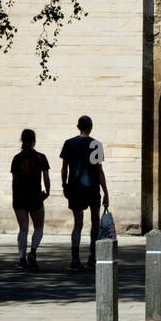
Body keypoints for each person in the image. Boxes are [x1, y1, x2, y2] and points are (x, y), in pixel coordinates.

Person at [60, 115, 109, 272]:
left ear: (77, 126)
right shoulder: (96, 144)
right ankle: (93, 257)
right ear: (91, 127)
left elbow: (64, 168)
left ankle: (75, 258)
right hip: (92, 187)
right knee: (95, 222)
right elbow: (99, 170)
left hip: (75, 187)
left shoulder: (69, 143)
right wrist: (106, 192)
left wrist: (64, 186)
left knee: (77, 224)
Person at [10, 129, 50, 271]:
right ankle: (32, 252)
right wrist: (47, 192)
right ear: (34, 141)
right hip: (35, 196)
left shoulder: (16, 158)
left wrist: (14, 197)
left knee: (23, 229)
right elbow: (46, 177)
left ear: (22, 140)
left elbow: (14, 181)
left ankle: (21, 259)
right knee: (39, 227)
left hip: (20, 197)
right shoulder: (41, 157)